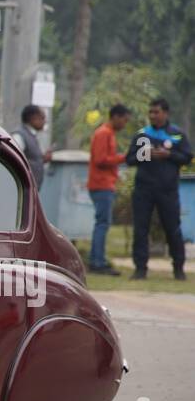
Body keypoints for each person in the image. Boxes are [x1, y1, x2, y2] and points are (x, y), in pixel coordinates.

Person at [125, 97, 191, 281]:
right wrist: (145, 154)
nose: (153, 116)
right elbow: (130, 159)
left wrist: (169, 155)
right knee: (140, 229)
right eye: (150, 112)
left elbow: (187, 157)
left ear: (165, 113)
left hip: (167, 190)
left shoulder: (177, 134)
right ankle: (140, 269)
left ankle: (178, 268)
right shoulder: (142, 135)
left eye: (156, 112)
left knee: (173, 229)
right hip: (143, 189)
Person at [87, 104, 130, 275]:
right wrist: (123, 157)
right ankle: (97, 262)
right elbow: (100, 159)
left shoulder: (109, 133)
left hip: (105, 184)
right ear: (116, 116)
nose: (125, 124)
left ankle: (99, 260)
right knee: (102, 224)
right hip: (101, 184)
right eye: (124, 120)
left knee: (103, 223)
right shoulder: (104, 133)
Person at [11, 104, 53, 189]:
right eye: (42, 118)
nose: (44, 121)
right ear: (33, 118)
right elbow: (14, 158)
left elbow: (30, 158)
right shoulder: (19, 136)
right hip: (23, 188)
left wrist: (42, 159)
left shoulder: (32, 135)